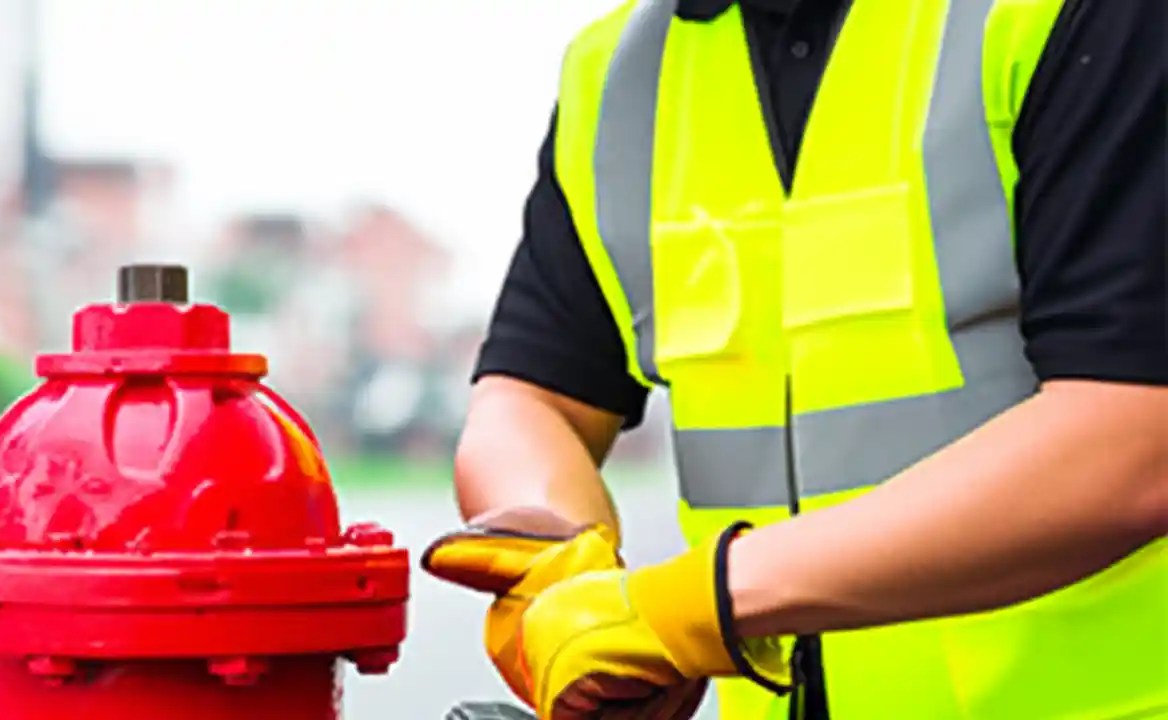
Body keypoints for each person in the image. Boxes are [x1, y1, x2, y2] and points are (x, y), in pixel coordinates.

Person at [422, 0, 1167, 718]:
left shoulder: (1073, 15)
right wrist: (568, 574)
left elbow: (1135, 440)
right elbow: (529, 401)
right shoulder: (619, 76)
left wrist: (692, 608)